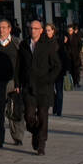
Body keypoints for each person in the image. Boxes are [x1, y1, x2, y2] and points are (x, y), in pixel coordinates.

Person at [18, 20, 60, 155]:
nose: (33, 31)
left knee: (43, 116)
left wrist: (49, 79)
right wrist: (18, 83)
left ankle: (41, 144)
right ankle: (36, 132)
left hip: (44, 87)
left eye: (36, 28)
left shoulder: (47, 45)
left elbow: (57, 65)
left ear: (41, 30)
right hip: (28, 87)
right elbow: (19, 66)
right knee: (29, 116)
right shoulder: (24, 44)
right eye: (31, 28)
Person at [0, 19, 23, 147]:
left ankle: (17, 136)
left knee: (14, 109)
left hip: (13, 81)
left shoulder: (17, 43)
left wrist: (19, 83)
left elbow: (21, 65)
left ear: (9, 29)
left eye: (4, 27)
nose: (1, 30)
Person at [46, 23, 66, 117]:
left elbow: (64, 56)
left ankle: (59, 110)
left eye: (49, 30)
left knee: (59, 91)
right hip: (48, 70)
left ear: (53, 31)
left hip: (58, 70)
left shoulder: (58, 42)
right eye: (46, 30)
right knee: (50, 90)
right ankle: (54, 106)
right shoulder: (43, 41)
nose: (47, 32)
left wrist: (66, 69)